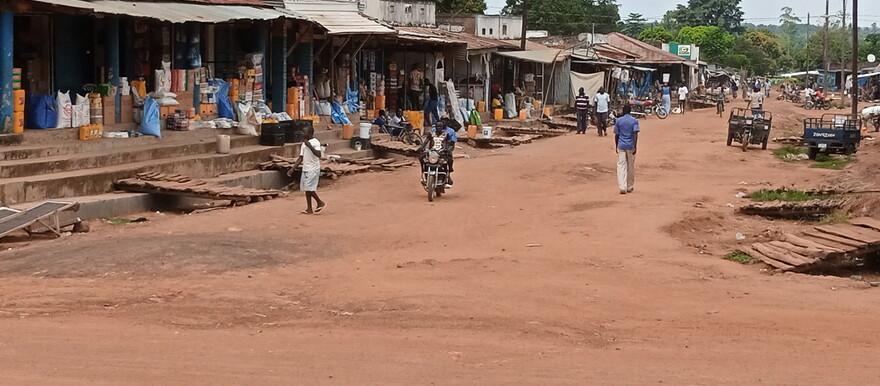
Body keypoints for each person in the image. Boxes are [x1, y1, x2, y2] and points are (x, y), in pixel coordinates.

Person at [287, 126, 326, 214]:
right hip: (306, 168)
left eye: (304, 132)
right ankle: (309, 208)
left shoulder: (315, 142)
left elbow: (319, 154)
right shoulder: (303, 144)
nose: (302, 134)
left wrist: (309, 146)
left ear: (310, 133)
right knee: (306, 189)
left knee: (309, 187)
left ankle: (320, 202)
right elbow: (301, 158)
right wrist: (293, 168)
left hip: (313, 168)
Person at [614, 104, 639, 195]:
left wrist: (616, 145)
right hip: (630, 145)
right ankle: (629, 186)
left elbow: (616, 134)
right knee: (630, 167)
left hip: (621, 145)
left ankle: (622, 187)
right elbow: (635, 134)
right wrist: (635, 146)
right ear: (630, 111)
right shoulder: (634, 121)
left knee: (621, 166)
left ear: (624, 111)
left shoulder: (619, 121)